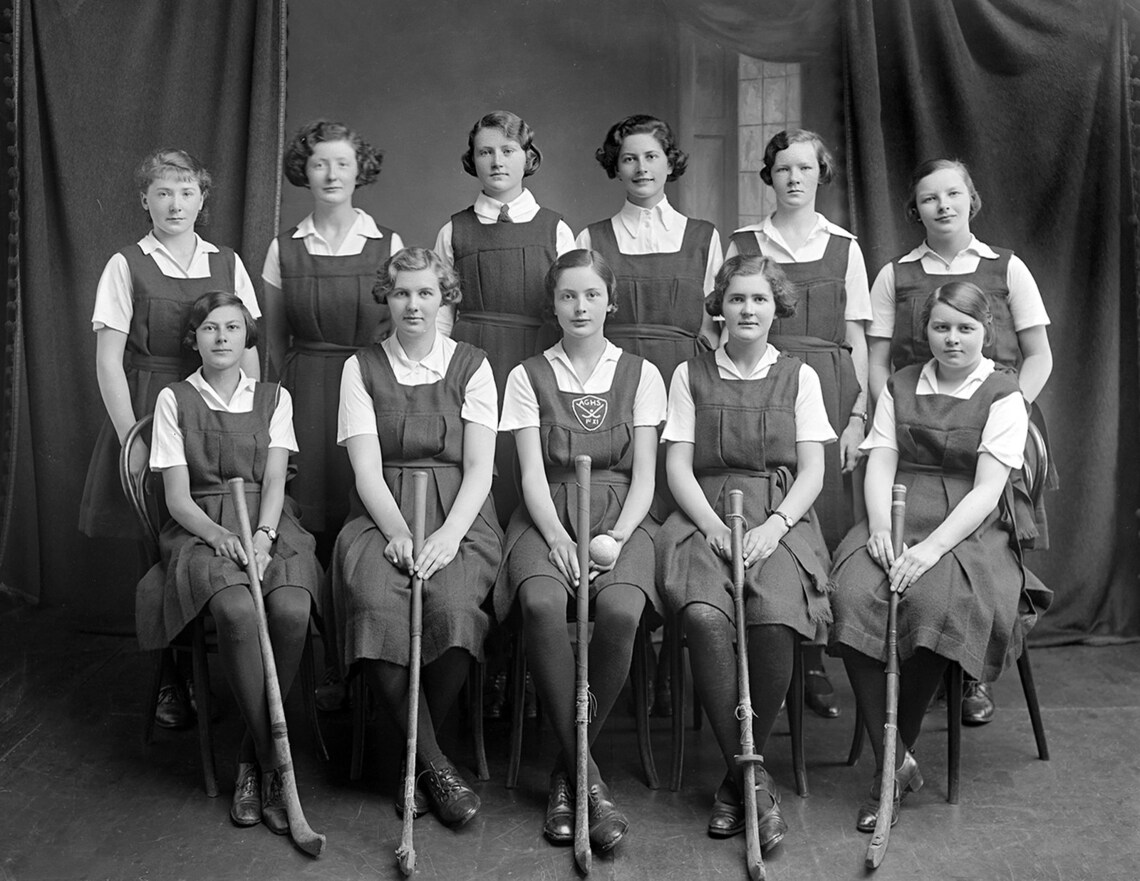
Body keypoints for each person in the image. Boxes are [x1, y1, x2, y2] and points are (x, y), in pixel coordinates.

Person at [829, 282, 1050, 832]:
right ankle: (898, 763)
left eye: (965, 328)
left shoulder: (1003, 393)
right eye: (941, 327)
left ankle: (888, 767)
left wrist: (930, 549)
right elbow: (881, 458)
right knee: (849, 595)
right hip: (898, 507)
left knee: (934, 606)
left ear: (986, 331)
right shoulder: (901, 382)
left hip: (968, 526)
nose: (953, 338)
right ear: (925, 330)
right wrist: (880, 527)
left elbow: (987, 490)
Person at [655, 254, 835, 854]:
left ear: (775, 307)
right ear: (720, 308)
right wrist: (712, 528)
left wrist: (776, 528)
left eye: (759, 299)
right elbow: (677, 466)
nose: (748, 310)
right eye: (737, 299)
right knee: (704, 614)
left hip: (779, 518)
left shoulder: (799, 377)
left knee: (775, 615)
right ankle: (752, 779)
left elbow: (813, 469)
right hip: (704, 516)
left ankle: (738, 784)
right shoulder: (690, 374)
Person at [866, 158, 1054, 725]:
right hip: (917, 426)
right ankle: (916, 653)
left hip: (996, 420)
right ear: (915, 209)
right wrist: (893, 410)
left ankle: (971, 671)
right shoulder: (895, 274)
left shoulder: (1008, 268)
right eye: (929, 197)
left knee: (979, 552)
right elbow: (878, 361)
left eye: (953, 194)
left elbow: (1039, 355)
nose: (942, 205)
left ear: (971, 199)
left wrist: (1003, 409)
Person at [81, 149, 261, 730]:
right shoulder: (126, 264)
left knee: (217, 529)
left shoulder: (227, 261)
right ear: (145, 200)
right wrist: (130, 438)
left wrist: (250, 422)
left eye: (186, 192)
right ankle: (171, 678)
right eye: (162, 192)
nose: (175, 204)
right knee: (161, 549)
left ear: (202, 198)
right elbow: (108, 362)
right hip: (149, 410)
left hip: (216, 413)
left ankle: (233, 670)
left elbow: (248, 352)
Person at [495, 249, 666, 853]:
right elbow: (530, 475)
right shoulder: (527, 375)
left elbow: (645, 477)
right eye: (568, 295)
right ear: (554, 304)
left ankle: (567, 773)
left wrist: (616, 537)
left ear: (610, 302)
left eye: (592, 294)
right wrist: (559, 539)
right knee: (541, 604)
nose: (580, 306)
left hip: (622, 518)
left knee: (620, 611)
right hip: (546, 517)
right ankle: (587, 779)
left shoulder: (642, 374)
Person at [135, 291, 321, 834]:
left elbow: (275, 481)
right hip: (201, 528)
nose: (221, 337)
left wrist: (263, 537)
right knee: (238, 611)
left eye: (233, 328)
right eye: (210, 328)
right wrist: (222, 537)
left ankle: (249, 754)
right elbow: (176, 499)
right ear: (194, 339)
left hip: (268, 522)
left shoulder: (274, 398)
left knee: (291, 610)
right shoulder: (174, 399)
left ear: (248, 338)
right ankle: (271, 763)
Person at [328, 247, 501, 827]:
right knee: (376, 603)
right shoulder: (361, 367)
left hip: (459, 515)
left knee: (453, 608)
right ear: (388, 296)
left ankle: (407, 755)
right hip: (382, 514)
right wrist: (398, 531)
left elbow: (479, 468)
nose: (413, 304)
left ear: (444, 297)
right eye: (402, 292)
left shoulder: (473, 366)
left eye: (426, 292)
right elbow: (366, 471)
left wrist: (449, 536)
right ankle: (433, 765)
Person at [577, 113, 724, 715]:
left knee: (679, 503)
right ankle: (631, 656)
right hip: (619, 382)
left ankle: (672, 664)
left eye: (651, 157)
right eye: (629, 158)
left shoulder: (704, 236)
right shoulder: (592, 236)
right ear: (615, 167)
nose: (640, 168)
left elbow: (715, 328)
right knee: (630, 504)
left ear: (670, 164)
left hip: (684, 379)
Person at [433, 109, 576, 719]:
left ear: (527, 159)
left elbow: (573, 307)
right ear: (473, 159)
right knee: (480, 498)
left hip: (533, 369)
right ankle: (484, 662)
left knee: (529, 497)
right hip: (473, 369)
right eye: (486, 151)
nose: (497, 161)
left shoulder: (555, 227)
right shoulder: (455, 231)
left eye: (508, 151)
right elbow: (440, 316)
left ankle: (528, 664)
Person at [726, 129, 872, 719]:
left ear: (820, 175)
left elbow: (858, 337)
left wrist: (858, 413)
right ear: (769, 175)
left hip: (829, 389)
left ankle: (811, 661)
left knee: (824, 520)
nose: (794, 178)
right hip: (761, 387)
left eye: (805, 168)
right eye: (783, 167)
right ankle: (766, 651)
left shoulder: (845, 247)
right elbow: (720, 326)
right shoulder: (743, 243)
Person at [261, 119, 404, 555]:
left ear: (360, 169)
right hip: (305, 389)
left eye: (342, 163)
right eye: (319, 164)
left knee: (366, 494)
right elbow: (273, 338)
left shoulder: (387, 244)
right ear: (304, 171)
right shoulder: (283, 248)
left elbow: (404, 326)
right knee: (308, 500)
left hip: (371, 385)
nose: (331, 175)